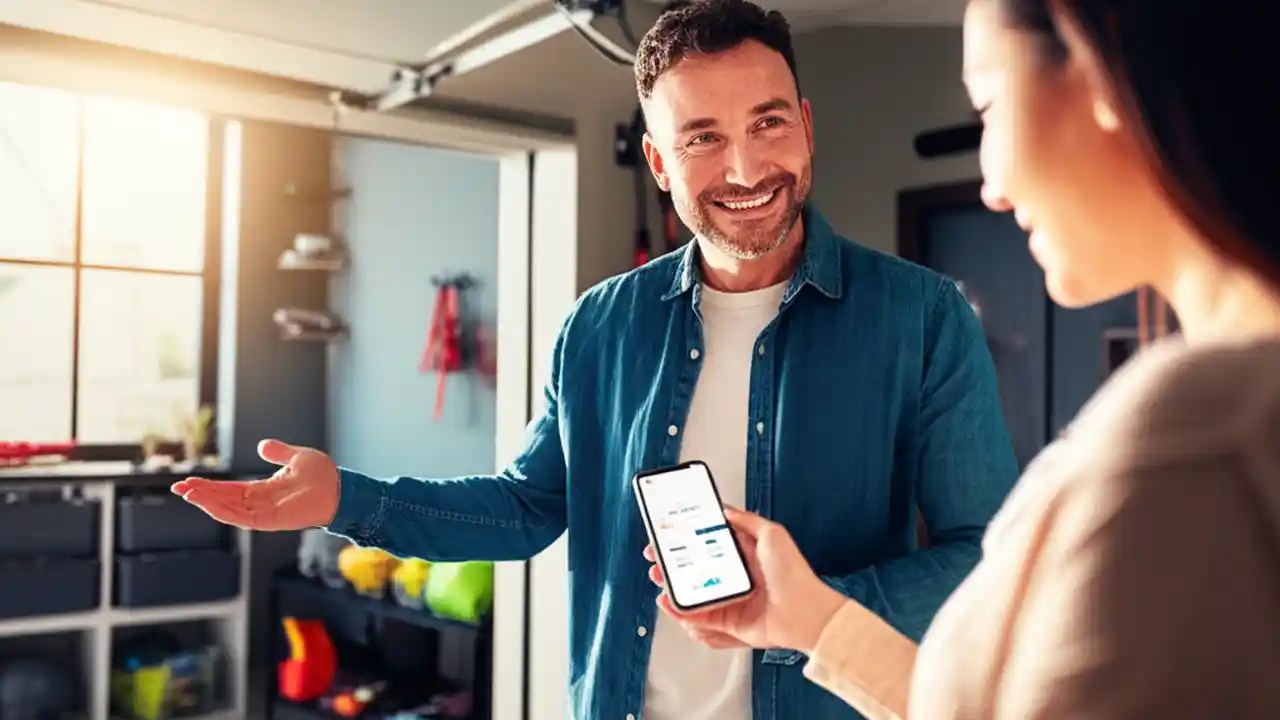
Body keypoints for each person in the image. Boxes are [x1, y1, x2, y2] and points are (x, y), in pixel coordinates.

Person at [173, 1, 1018, 718]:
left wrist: (817, 613)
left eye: (767, 123)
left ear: (806, 123)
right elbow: (529, 505)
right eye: (702, 138)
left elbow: (981, 553)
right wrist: (347, 498)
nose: (747, 166)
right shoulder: (602, 325)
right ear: (657, 160)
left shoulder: (923, 318)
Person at [647, 0, 1280, 717]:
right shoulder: (1223, 422)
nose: (992, 184)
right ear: (659, 162)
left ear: (1100, 82)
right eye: (704, 137)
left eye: (988, 106)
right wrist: (812, 620)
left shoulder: (1191, 444)